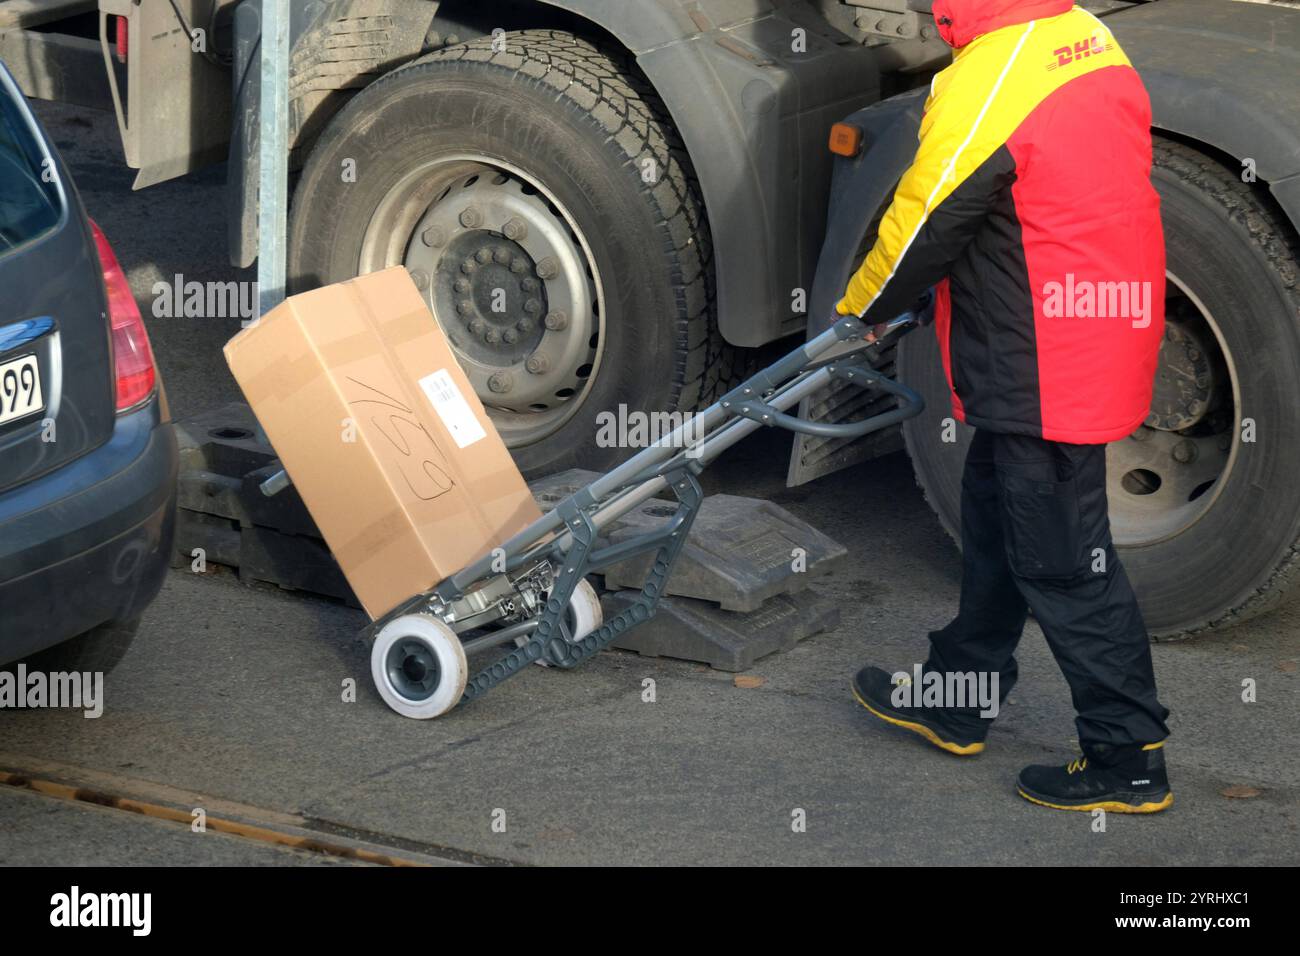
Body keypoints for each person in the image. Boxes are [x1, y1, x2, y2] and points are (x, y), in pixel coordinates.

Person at [840, 0, 1172, 813]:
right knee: (994, 520)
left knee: (1063, 561)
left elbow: (926, 219)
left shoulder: (992, 76)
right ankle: (957, 700)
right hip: (1086, 328)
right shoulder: (1081, 32)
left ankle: (1127, 756)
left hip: (1050, 363)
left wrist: (859, 312)